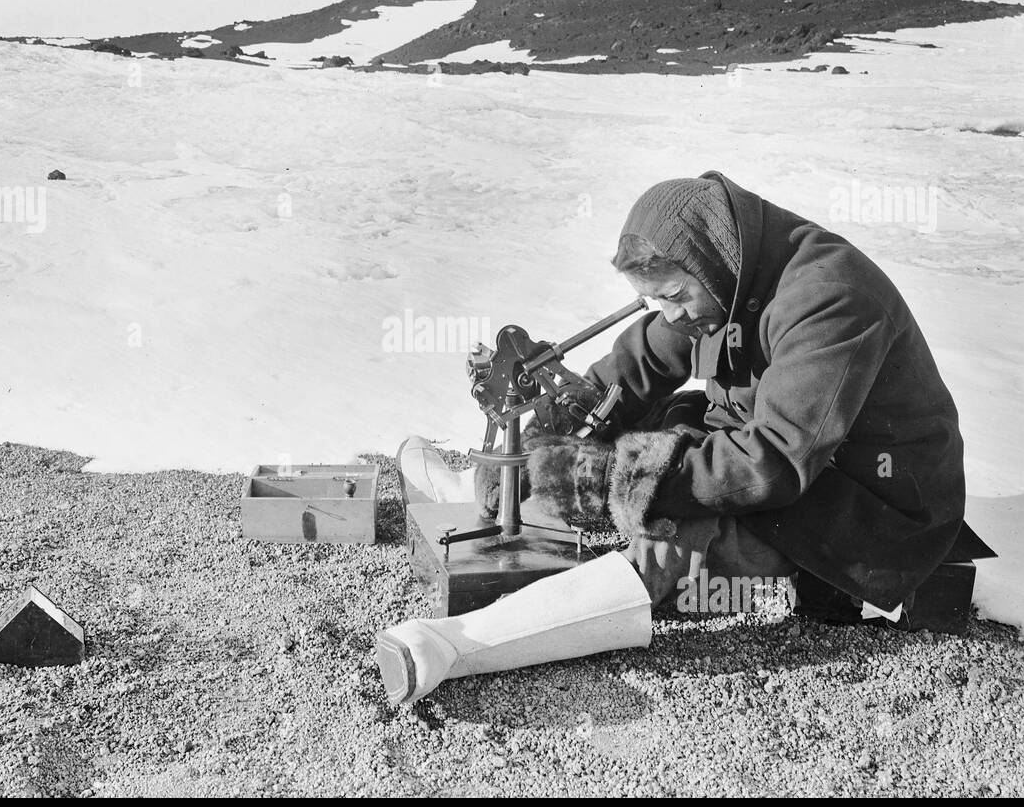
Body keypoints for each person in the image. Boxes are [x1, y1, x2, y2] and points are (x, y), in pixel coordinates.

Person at [375, 171, 966, 707]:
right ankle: (501, 502)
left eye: (675, 297)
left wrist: (615, 477)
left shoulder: (830, 299)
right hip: (773, 451)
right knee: (645, 426)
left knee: (675, 527)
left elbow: (774, 463)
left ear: (709, 265)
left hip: (864, 502)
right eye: (651, 300)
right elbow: (633, 371)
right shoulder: (726, 277)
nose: (667, 314)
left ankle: (452, 647)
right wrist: (550, 434)